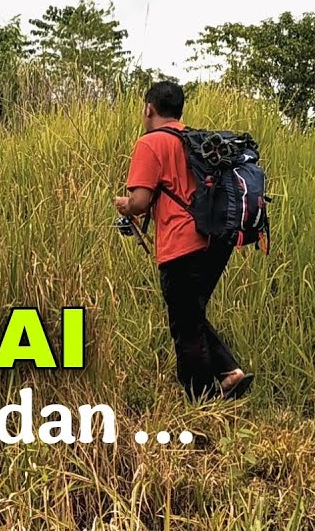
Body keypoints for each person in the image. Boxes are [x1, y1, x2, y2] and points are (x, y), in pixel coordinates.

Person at [112, 80, 253, 401]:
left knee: (185, 326)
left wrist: (125, 204)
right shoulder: (196, 140)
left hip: (181, 245)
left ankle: (201, 399)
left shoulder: (151, 144)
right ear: (179, 109)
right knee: (191, 312)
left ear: (149, 108)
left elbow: (140, 202)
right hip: (216, 242)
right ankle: (230, 373)